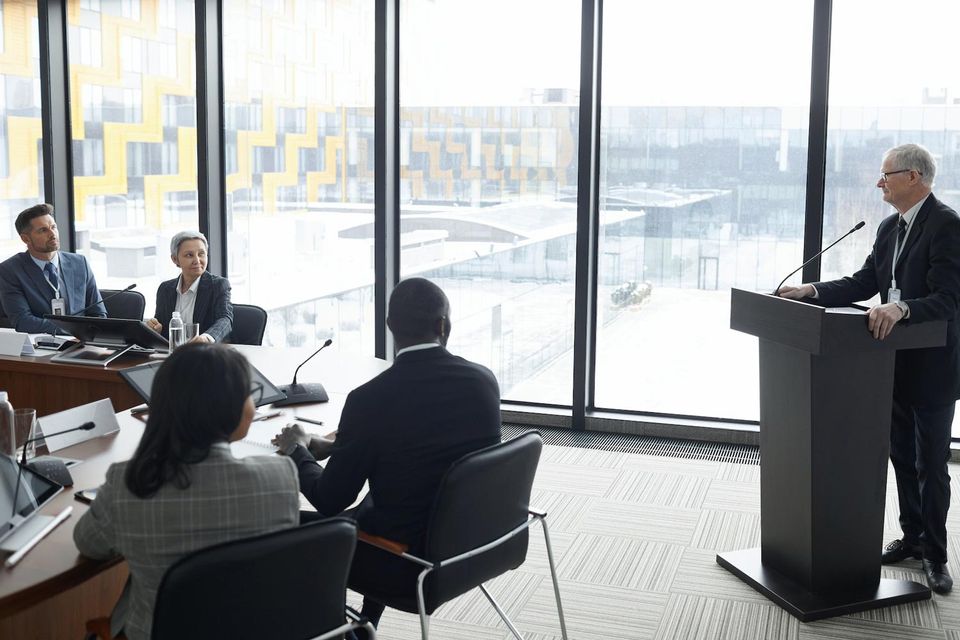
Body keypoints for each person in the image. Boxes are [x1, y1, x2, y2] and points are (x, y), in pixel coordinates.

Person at [778, 143, 960, 594]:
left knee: (930, 463)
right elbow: (865, 283)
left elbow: (948, 298)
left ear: (914, 177)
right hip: (888, 364)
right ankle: (913, 538)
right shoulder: (888, 227)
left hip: (934, 363)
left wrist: (901, 309)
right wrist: (813, 291)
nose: (879, 182)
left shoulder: (947, 226)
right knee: (900, 453)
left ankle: (936, 555)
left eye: (886, 174)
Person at [272, 277, 502, 633]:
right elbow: (425, 447)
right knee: (380, 506)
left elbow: (330, 499)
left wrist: (296, 450)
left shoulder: (370, 398)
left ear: (390, 327)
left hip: (404, 561)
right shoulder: (483, 381)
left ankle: (337, 629)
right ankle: (367, 623)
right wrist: (341, 445)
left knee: (275, 526)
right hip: (479, 544)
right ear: (443, 326)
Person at [74, 343, 299, 640]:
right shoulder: (281, 477)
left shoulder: (130, 484)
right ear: (231, 409)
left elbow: (88, 544)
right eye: (249, 394)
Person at [0, 203, 105, 334]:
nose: (52, 234)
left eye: (53, 227)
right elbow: (23, 321)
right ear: (25, 238)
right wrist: (74, 330)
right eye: (43, 230)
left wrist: (86, 335)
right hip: (41, 346)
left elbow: (99, 314)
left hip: (82, 344)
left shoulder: (79, 263)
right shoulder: (9, 270)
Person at [145, 231, 233, 343]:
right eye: (189, 255)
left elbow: (225, 319)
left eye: (201, 254)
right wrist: (155, 328)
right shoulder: (165, 289)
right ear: (175, 259)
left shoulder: (218, 285)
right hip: (174, 354)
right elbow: (161, 326)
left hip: (206, 353)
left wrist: (206, 338)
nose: (197, 260)